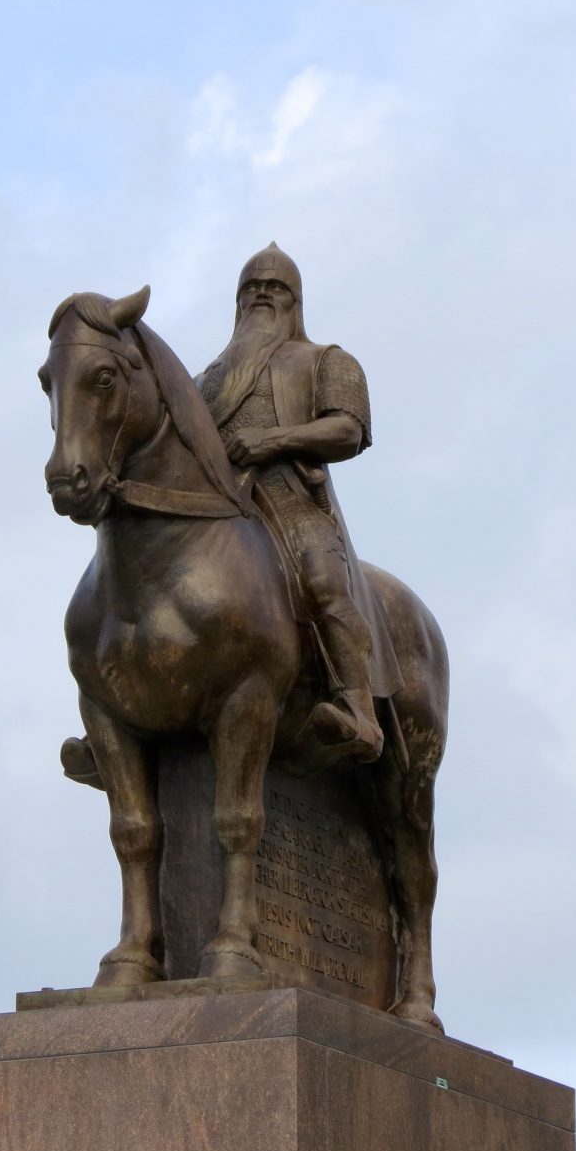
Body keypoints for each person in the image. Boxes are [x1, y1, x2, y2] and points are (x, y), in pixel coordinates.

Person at [196, 242, 401, 762]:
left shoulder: (326, 360)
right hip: (216, 501)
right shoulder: (205, 381)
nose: (262, 294)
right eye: (251, 287)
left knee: (322, 577)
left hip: (288, 496)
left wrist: (272, 440)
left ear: (296, 300)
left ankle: (358, 709)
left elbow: (347, 430)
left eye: (275, 287)